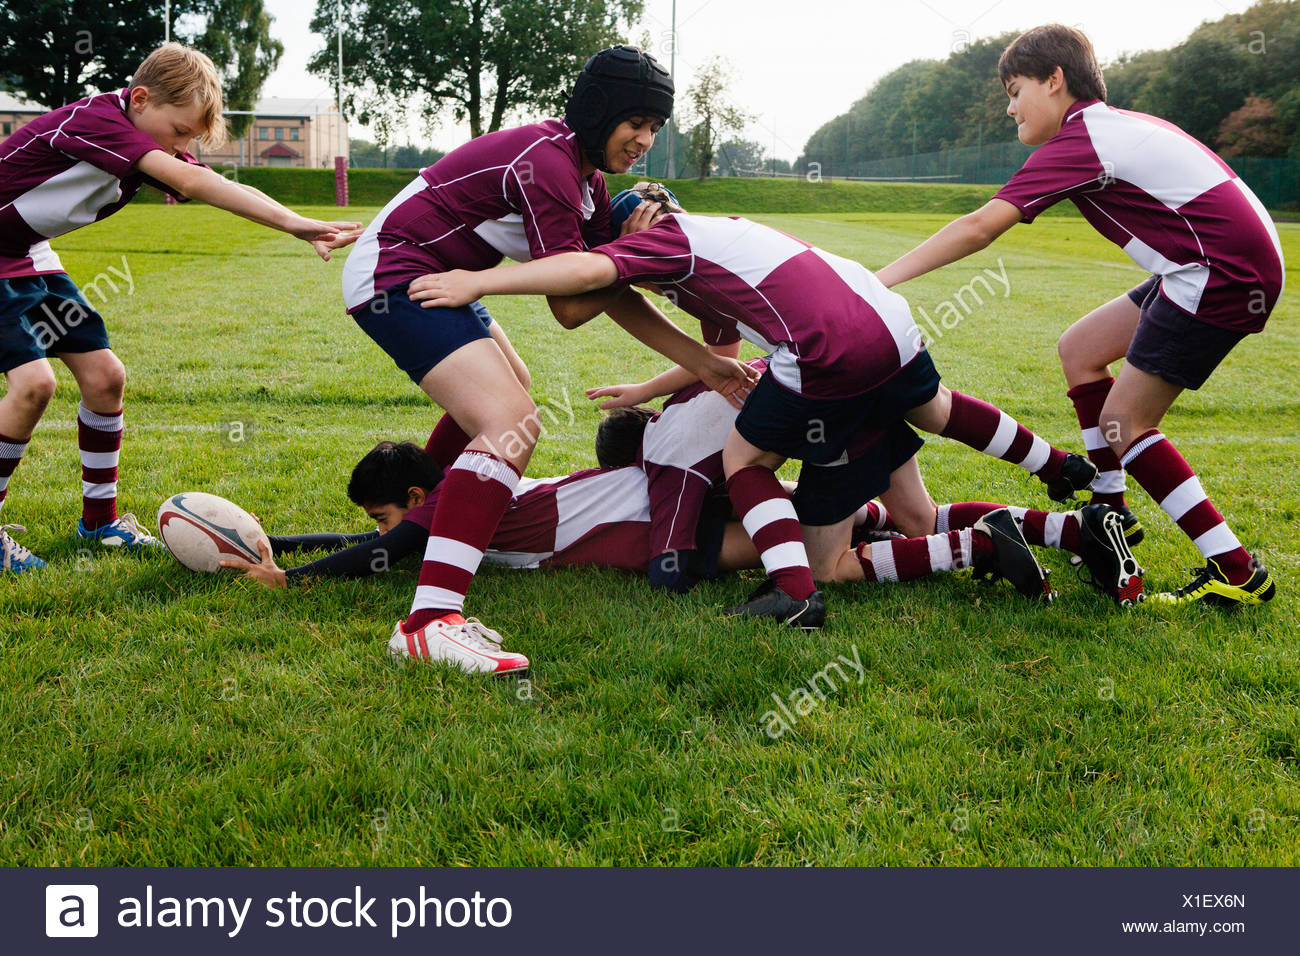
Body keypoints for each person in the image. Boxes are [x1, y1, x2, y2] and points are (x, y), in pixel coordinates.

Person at [404, 183, 1102, 627]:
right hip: (889, 322)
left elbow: (591, 275)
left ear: (641, 224)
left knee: (747, 459)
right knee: (935, 418)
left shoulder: (669, 242)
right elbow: (723, 360)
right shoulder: (710, 246)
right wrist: (647, 390)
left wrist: (479, 281)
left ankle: (796, 594)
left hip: (829, 351)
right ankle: (1062, 474)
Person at [340, 47, 756, 669]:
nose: (644, 140)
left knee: (514, 396)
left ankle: (424, 525)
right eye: (634, 122)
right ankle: (429, 621)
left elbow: (602, 286)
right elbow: (571, 306)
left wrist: (701, 361)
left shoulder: (582, 177)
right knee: (511, 422)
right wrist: (629, 252)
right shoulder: (551, 164)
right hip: (399, 270)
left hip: (438, 271)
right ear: (599, 110)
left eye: (653, 129)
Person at [873, 25, 1283, 607]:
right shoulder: (1106, 127)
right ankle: (1110, 512)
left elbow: (979, 227)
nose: (1009, 108)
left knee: (1124, 422)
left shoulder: (1080, 138)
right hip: (1214, 264)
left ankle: (1238, 571)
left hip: (1218, 272)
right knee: (1080, 349)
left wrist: (874, 281)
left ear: (1055, 80)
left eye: (1016, 91)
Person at [0, 42, 360, 573]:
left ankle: (100, 525)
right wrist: (296, 224)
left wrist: (298, 222)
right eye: (180, 132)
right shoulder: (96, 120)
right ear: (140, 99)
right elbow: (193, 181)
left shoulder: (143, 132)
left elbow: (212, 180)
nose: (183, 146)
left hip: (28, 253)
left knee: (105, 377)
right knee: (34, 385)